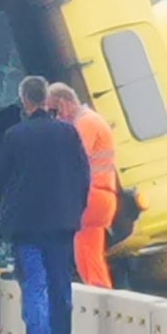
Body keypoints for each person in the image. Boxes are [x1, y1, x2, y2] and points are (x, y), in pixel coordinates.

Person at [0, 76, 90, 334]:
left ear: (24, 101)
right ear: (45, 99)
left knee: (34, 287)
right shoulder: (68, 133)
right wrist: (75, 211)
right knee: (61, 287)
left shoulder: (15, 136)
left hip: (26, 227)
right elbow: (84, 176)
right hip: (61, 225)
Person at [47, 83, 117, 289]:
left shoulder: (85, 123)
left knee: (82, 253)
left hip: (91, 196)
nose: (56, 118)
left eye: (55, 111)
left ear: (64, 104)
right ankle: (103, 296)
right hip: (102, 197)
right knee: (90, 256)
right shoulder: (93, 120)